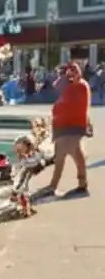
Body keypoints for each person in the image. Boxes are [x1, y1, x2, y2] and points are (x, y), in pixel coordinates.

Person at [41, 62, 91, 197]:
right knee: (76, 155)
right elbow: (57, 86)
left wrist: (67, 77)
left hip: (70, 126)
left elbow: (76, 104)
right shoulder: (74, 85)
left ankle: (53, 186)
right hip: (67, 126)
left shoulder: (79, 85)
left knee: (61, 156)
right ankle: (82, 185)